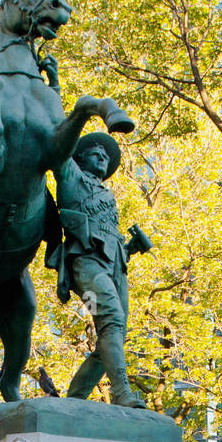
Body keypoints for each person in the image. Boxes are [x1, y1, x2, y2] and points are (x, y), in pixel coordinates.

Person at [47, 132, 152, 407]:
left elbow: (106, 237)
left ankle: (75, 399)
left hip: (117, 265)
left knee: (115, 333)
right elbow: (60, 145)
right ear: (79, 157)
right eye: (96, 153)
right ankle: (122, 394)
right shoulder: (70, 175)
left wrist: (130, 247)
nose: (103, 157)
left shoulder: (107, 192)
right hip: (86, 263)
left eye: (106, 156)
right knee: (112, 320)